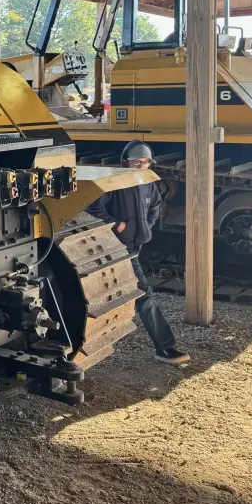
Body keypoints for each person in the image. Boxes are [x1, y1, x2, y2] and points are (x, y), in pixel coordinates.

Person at [86, 140, 190, 365]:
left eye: (145, 162)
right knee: (145, 294)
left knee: (132, 291)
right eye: (136, 162)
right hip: (121, 244)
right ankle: (165, 348)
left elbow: (154, 205)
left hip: (138, 240)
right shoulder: (114, 183)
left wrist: (148, 225)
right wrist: (117, 225)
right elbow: (93, 208)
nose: (141, 166)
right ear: (126, 162)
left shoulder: (148, 183)